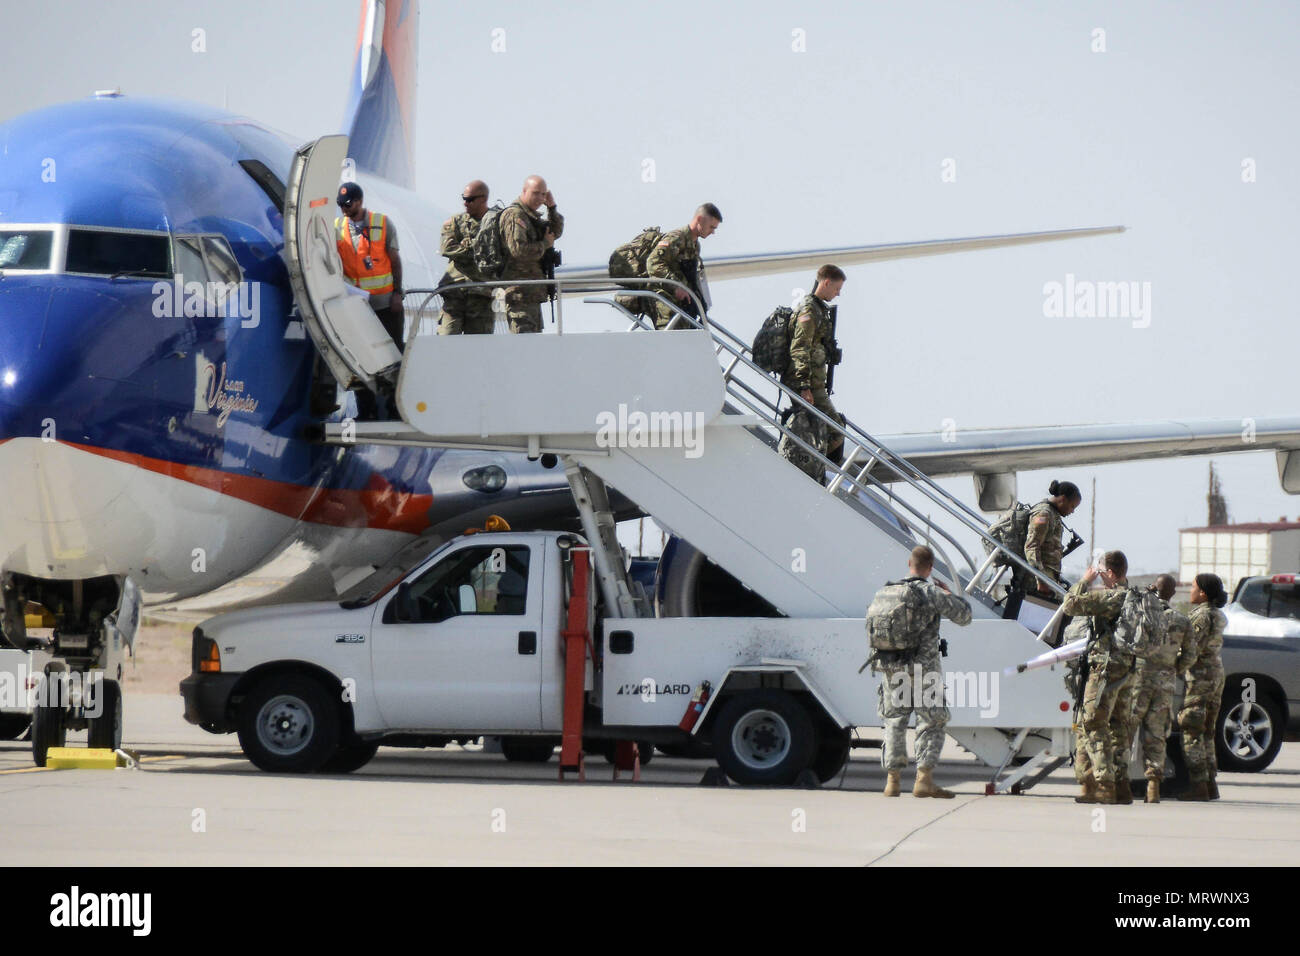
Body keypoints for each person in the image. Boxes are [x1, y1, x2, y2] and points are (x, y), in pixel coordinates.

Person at [867, 545, 973, 798]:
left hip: (892, 667)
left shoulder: (886, 591)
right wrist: (949, 594)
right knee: (932, 720)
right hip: (924, 670)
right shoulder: (930, 592)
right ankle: (923, 780)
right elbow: (965, 616)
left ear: (909, 563)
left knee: (894, 721)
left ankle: (892, 782)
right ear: (930, 568)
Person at [777, 264, 847, 483]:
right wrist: (804, 385)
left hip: (813, 381)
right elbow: (799, 347)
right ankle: (810, 472)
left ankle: (811, 468)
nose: (838, 293)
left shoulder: (819, 309)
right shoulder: (809, 310)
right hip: (807, 383)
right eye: (837, 288)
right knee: (834, 430)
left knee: (819, 429)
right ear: (826, 282)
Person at [1126, 573, 1191, 803]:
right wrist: (1173, 668)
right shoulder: (1182, 621)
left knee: (1127, 730)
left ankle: (1119, 782)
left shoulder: (1141, 615)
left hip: (1139, 678)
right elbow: (1190, 655)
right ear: (1173, 593)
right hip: (1165, 682)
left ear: (1155, 589)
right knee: (1157, 734)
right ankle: (1153, 785)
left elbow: (1126, 643)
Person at [1176, 572, 1228, 802]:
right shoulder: (1218, 615)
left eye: (1194, 587)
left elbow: (1191, 650)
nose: (1190, 591)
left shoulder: (1201, 617)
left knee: (1192, 729)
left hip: (1201, 677)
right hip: (1215, 675)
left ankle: (1198, 785)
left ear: (1203, 593)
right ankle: (1209, 783)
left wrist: (1171, 665)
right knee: (1207, 731)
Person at [335, 181, 405, 347]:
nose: (343, 209)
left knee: (393, 349)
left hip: (384, 303)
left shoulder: (382, 223)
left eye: (347, 204)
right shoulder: (337, 227)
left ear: (359, 202)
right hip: (355, 303)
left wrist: (397, 293)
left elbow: (395, 261)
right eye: (340, 204)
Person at [499, 175, 564, 334]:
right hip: (519, 294)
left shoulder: (530, 217)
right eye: (535, 193)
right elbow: (518, 250)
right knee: (523, 345)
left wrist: (552, 207)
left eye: (543, 194)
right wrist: (545, 245)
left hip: (530, 294)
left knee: (533, 345)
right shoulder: (516, 215)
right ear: (524, 191)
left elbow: (555, 232)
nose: (540, 198)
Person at [645, 203, 722, 330]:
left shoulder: (695, 245)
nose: (712, 232)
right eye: (711, 227)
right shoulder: (676, 239)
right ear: (699, 220)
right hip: (667, 301)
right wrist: (676, 287)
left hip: (684, 305)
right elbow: (653, 263)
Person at [438, 180, 495, 335]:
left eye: (470, 200)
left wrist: (465, 247)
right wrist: (476, 248)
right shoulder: (455, 222)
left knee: (479, 348)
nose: (465, 203)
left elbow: (497, 253)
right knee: (446, 341)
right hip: (454, 292)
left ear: (483, 199)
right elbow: (447, 248)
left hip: (481, 296)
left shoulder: (495, 223)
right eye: (463, 198)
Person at [1022, 480, 1083, 595]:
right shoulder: (1043, 514)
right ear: (1063, 499)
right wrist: (1041, 579)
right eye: (1072, 506)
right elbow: (1032, 546)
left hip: (1049, 577)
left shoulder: (1053, 514)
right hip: (1041, 580)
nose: (1072, 511)